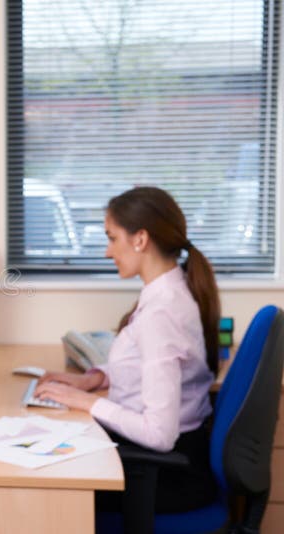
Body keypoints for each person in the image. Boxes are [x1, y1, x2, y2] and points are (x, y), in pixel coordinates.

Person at [36, 186, 219, 532]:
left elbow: (160, 434)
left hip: (165, 473)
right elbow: (148, 361)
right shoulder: (167, 291)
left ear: (140, 239)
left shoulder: (161, 313)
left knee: (45, 485)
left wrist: (86, 402)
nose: (108, 252)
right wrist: (96, 378)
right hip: (172, 459)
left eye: (112, 238)